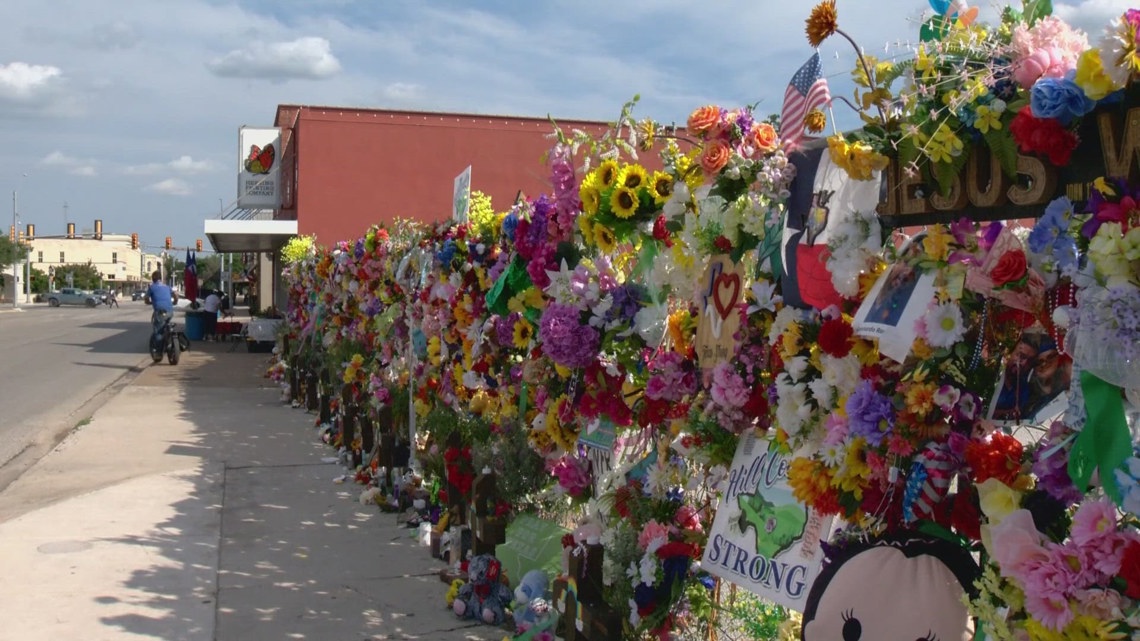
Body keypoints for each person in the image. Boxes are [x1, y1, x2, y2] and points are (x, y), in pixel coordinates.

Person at [144, 271, 177, 348]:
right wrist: (175, 301)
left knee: (158, 331)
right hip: (170, 312)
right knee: (166, 325)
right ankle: (168, 341)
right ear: (160, 278)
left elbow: (146, 299)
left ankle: (158, 351)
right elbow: (175, 295)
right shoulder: (167, 286)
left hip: (160, 313)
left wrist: (150, 302)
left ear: (153, 279)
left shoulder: (152, 287)